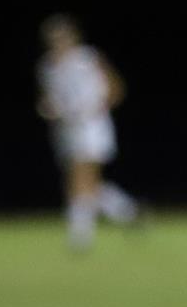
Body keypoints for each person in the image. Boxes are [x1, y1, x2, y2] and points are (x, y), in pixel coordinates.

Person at [36, 14, 140, 250]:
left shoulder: (88, 59)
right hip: (65, 128)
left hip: (92, 125)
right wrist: (49, 108)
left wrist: (93, 109)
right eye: (53, 38)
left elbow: (116, 89)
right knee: (84, 183)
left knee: (81, 177)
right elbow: (50, 98)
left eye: (62, 37)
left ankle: (80, 235)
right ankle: (125, 210)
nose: (58, 42)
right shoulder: (46, 67)